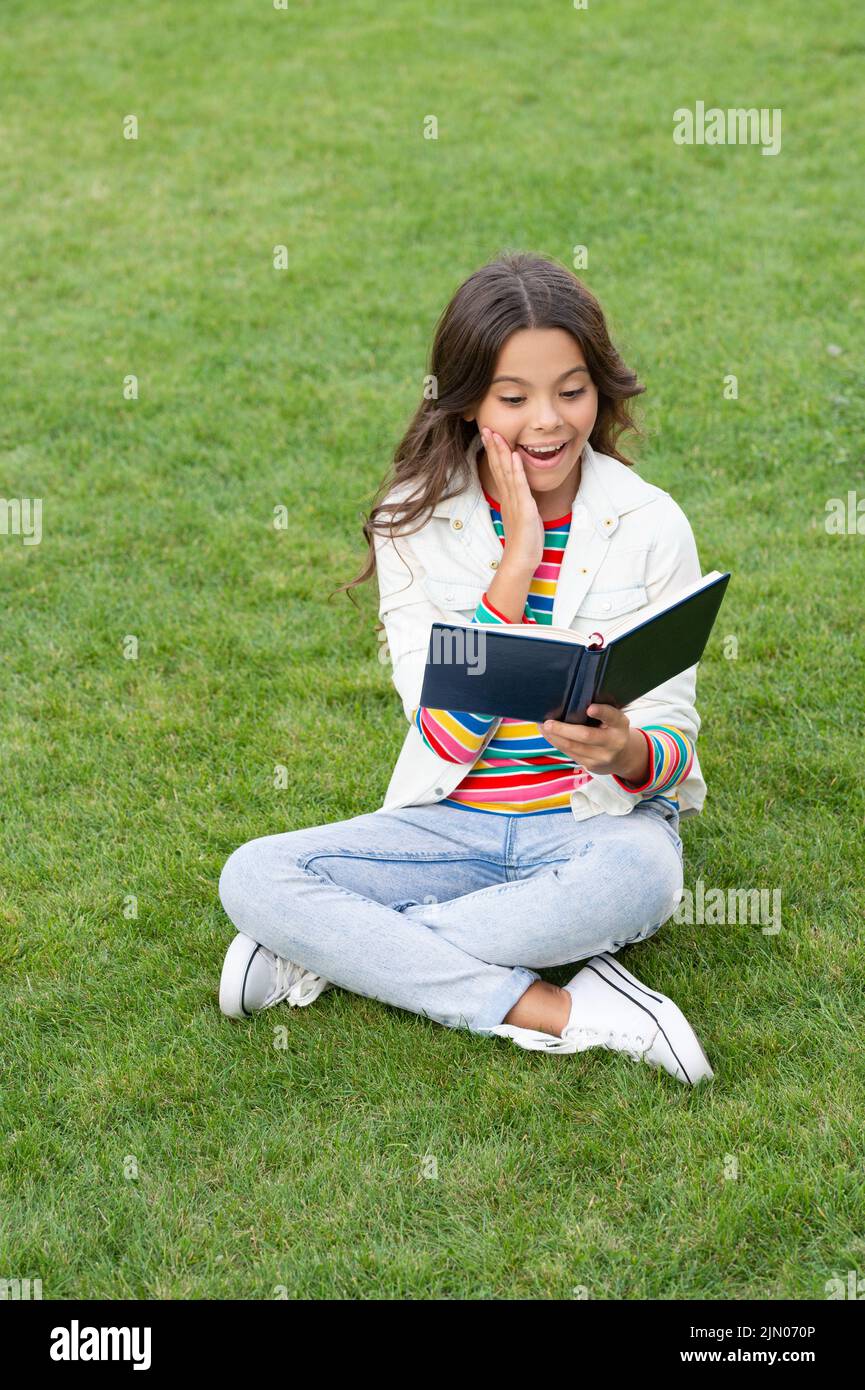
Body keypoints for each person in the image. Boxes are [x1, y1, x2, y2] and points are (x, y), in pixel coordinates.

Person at [217, 252, 714, 1085]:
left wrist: (624, 751)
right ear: (468, 400)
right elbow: (439, 729)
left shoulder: (649, 522)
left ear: (600, 389)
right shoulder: (411, 526)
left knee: (642, 879)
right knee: (255, 873)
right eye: (513, 399)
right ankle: (567, 1009)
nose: (548, 422)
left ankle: (337, 951)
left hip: (593, 830)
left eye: (571, 390)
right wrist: (516, 559)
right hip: (451, 825)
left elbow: (673, 739)